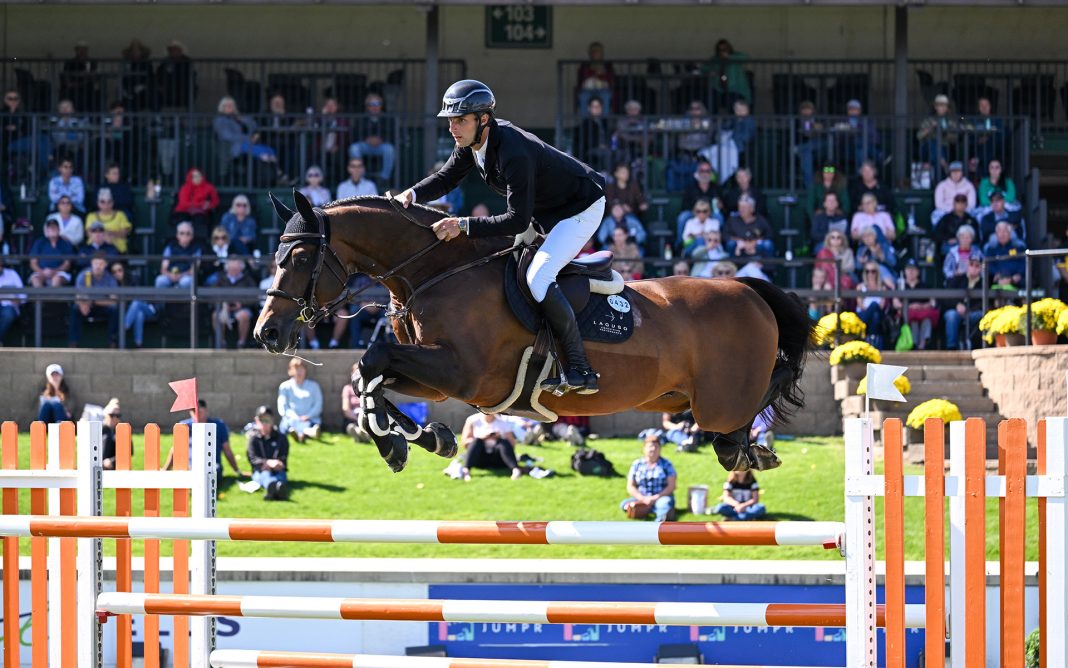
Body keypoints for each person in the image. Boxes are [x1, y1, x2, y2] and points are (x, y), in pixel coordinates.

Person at [394, 80, 606, 395]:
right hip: (544, 212)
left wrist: (462, 225)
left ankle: (580, 368)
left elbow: (516, 220)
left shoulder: (513, 150)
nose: (453, 128)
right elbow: (446, 177)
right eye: (451, 120)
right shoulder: (470, 143)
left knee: (537, 276)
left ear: (484, 119)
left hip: (579, 209)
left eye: (460, 120)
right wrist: (410, 194)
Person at [165, 399, 247, 490]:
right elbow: (176, 450)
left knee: (208, 480)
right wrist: (165, 470)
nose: (196, 414)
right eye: (193, 411)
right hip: (191, 467)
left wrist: (237, 470)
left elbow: (227, 450)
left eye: (199, 411)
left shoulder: (218, 425)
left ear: (206, 410)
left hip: (212, 466)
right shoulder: (184, 426)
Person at [621, 432, 677, 522]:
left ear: (660, 449)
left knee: (664, 504)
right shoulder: (637, 464)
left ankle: (658, 521)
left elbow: (672, 486)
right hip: (642, 497)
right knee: (624, 504)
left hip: (660, 497)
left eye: (656, 446)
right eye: (650, 446)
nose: (653, 449)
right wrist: (643, 498)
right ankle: (650, 509)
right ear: (644, 448)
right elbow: (630, 486)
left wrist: (654, 498)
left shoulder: (667, 464)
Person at [69, 252, 119, 347]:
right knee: (75, 308)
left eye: (101, 264)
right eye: (96, 263)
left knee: (114, 309)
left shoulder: (110, 278)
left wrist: (95, 301)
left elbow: (114, 300)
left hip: (102, 306)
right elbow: (77, 296)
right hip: (86, 306)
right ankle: (73, 342)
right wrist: (82, 304)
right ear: (91, 263)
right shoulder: (83, 275)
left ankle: (112, 341)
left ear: (105, 265)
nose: (98, 266)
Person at [458, 412, 523, 481]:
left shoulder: (503, 421)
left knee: (503, 443)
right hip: (479, 458)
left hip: (498, 458)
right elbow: (464, 443)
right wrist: (482, 437)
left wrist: (500, 437)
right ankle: (466, 470)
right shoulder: (472, 420)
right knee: (477, 441)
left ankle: (515, 469)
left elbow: (512, 444)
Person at [348, 93, 396, 184]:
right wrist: (366, 139)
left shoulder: (387, 118)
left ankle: (384, 178)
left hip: (381, 146)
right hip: (365, 145)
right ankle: (359, 176)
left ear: (381, 106)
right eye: (372, 104)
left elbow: (392, 135)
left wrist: (381, 139)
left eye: (377, 104)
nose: (375, 107)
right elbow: (355, 134)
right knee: (354, 148)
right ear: (367, 107)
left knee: (389, 149)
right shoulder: (361, 118)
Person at [246, 406, 289, 501]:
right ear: (257, 421)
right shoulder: (253, 438)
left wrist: (277, 464)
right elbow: (253, 459)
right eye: (262, 420)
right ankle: (273, 488)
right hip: (260, 470)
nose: (264, 423)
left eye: (267, 420)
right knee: (265, 475)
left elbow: (283, 457)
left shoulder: (281, 438)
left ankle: (277, 489)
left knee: (280, 476)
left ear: (272, 421)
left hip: (278, 470)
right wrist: (267, 463)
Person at [211, 258, 257, 348]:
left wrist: (241, 304)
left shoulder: (248, 279)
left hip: (242, 308)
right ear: (227, 269)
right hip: (223, 308)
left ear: (241, 269)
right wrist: (224, 304)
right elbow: (212, 296)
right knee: (215, 316)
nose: (234, 271)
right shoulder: (220, 279)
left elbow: (254, 297)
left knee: (243, 315)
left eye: (236, 269)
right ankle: (221, 343)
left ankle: (241, 343)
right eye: (231, 269)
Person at [896, 259, 939, 350]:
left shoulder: (924, 286)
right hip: (908, 316)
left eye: (913, 269)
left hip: (923, 314)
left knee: (927, 321)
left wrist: (921, 306)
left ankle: (923, 344)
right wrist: (909, 307)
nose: (911, 272)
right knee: (914, 323)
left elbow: (933, 302)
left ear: (918, 272)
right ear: (904, 271)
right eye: (908, 269)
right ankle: (914, 345)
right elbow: (895, 303)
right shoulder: (901, 286)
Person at [277, 358, 323, 443]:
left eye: (301, 369)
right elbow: (283, 406)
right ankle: (306, 433)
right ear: (290, 371)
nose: (299, 372)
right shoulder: (284, 386)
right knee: (289, 424)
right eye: (296, 369)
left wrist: (308, 416)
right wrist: (295, 417)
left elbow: (318, 404)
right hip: (291, 419)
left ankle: (300, 435)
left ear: (305, 371)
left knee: (310, 424)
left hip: (310, 419)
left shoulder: (314, 386)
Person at [944, 256, 985, 350]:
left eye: (977, 266)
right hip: (957, 312)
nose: (973, 268)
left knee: (983, 315)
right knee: (951, 315)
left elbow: (986, 302)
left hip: (974, 313)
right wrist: (957, 305)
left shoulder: (985, 282)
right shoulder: (957, 279)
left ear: (981, 268)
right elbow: (946, 298)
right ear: (967, 265)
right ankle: (952, 347)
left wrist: (969, 309)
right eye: (971, 264)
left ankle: (976, 346)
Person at [704, 38, 751, 113]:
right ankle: (713, 121)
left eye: (725, 49)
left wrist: (729, 57)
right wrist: (708, 72)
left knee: (733, 102)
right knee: (711, 97)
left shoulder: (736, 56)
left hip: (735, 89)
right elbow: (704, 68)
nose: (722, 51)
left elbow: (747, 57)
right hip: (719, 88)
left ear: (729, 48)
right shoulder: (715, 59)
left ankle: (732, 122)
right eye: (720, 49)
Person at [916, 94, 959, 173]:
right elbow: (919, 136)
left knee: (937, 158)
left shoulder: (950, 121)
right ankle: (943, 163)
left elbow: (955, 138)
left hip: (944, 149)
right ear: (935, 107)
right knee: (933, 142)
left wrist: (945, 133)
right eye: (940, 105)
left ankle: (941, 162)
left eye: (945, 106)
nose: (943, 108)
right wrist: (931, 128)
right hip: (927, 150)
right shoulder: (928, 120)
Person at [173, 168, 219, 240]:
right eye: (194, 176)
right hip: (184, 211)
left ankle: (199, 241)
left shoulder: (209, 187)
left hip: (200, 212)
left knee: (199, 220)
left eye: (199, 176)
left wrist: (209, 206)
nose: (197, 178)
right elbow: (183, 203)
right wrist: (200, 204)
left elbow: (215, 201)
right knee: (182, 219)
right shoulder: (185, 187)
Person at [29, 218, 75, 287]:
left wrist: (54, 271)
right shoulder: (39, 242)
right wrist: (42, 272)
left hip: (59, 272)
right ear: (47, 231)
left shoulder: (65, 243)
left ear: (59, 230)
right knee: (36, 279)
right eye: (50, 228)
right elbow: (33, 263)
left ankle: (53, 298)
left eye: (55, 227)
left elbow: (67, 264)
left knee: (56, 279)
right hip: (41, 271)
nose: (53, 229)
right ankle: (40, 298)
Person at [85, 187, 132, 254]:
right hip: (94, 249)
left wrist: (110, 234)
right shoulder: (91, 216)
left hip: (116, 248)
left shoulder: (120, 215)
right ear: (98, 203)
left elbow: (125, 232)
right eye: (102, 202)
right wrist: (103, 237)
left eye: (109, 202)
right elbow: (88, 232)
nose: (106, 205)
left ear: (112, 203)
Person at [677, 159, 719, 231]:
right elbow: (684, 206)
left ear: (711, 173)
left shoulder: (716, 188)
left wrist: (719, 206)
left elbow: (720, 206)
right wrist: (697, 212)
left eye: (707, 171)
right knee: (683, 217)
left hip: (710, 213)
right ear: (698, 173)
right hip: (694, 213)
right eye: (702, 171)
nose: (705, 173)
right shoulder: (690, 188)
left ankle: (717, 240)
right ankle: (680, 241)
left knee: (718, 217)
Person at [156, 221, 201, 289]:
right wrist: (171, 275)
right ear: (177, 235)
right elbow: (163, 269)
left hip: (186, 276)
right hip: (170, 275)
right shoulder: (170, 247)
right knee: (160, 280)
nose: (185, 236)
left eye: (188, 233)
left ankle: (184, 300)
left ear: (192, 236)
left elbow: (194, 270)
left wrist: (180, 276)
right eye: (182, 233)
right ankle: (162, 300)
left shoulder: (196, 249)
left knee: (186, 281)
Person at [857, 261, 891, 348]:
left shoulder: (882, 287)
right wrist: (872, 307)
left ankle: (870, 340)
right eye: (867, 271)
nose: (870, 274)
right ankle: (873, 341)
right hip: (863, 315)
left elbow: (881, 306)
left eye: (873, 271)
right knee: (874, 306)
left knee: (875, 314)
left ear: (877, 272)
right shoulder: (860, 287)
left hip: (878, 315)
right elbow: (860, 305)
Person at [572, 97, 612, 173]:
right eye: (594, 107)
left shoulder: (605, 122)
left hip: (606, 148)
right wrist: (599, 145)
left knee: (620, 153)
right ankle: (609, 176)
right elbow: (585, 141)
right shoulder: (585, 124)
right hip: (590, 151)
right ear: (589, 108)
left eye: (598, 106)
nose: (596, 109)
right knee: (607, 153)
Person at [983, 221, 1026, 288]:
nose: (1002, 234)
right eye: (999, 232)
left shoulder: (1019, 247)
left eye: (1005, 231)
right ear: (996, 234)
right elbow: (989, 264)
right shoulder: (991, 248)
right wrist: (996, 273)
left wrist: (1018, 274)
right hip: (997, 278)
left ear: (1010, 233)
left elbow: (1023, 262)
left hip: (1015, 279)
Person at [575, 41, 615, 115]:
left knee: (606, 96)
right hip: (588, 89)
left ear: (602, 53)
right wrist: (597, 73)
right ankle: (586, 123)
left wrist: (597, 74)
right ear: (589, 53)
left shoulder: (607, 65)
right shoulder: (585, 65)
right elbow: (582, 77)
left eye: (598, 51)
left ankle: (603, 122)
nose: (595, 53)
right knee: (583, 96)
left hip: (603, 89)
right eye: (593, 51)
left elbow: (609, 78)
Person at [341, 362, 371, 443]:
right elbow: (346, 409)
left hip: (366, 416)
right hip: (353, 417)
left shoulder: (369, 388)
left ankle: (361, 434)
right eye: (356, 372)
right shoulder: (347, 388)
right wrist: (358, 419)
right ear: (352, 374)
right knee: (350, 426)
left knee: (369, 423)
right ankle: (360, 434)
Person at [100, 398, 132, 471]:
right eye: (111, 415)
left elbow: (128, 453)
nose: (114, 418)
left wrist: (111, 461)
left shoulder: (123, 432)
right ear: (106, 415)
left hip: (115, 469)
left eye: (117, 416)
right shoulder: (99, 430)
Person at [0, 256, 25, 343]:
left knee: (8, 314)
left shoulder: (12, 274)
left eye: (1, 265)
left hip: (8, 306)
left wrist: (17, 300)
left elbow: (23, 296)